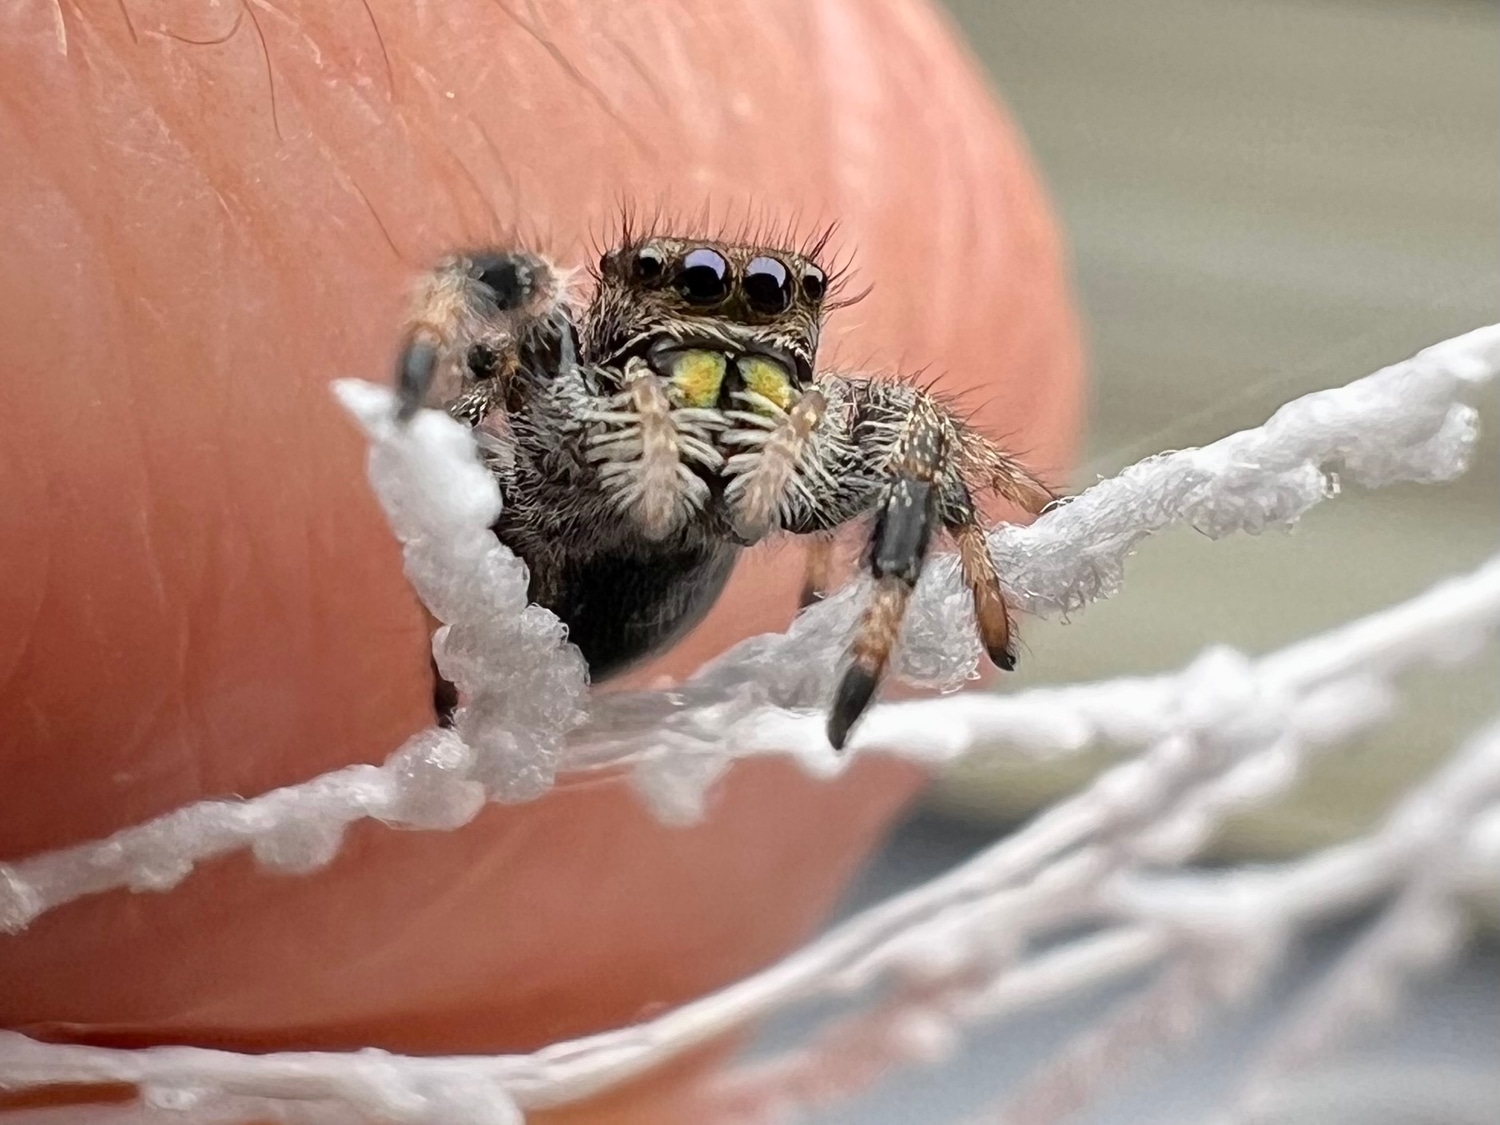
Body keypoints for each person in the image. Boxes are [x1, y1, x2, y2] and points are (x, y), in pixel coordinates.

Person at [0, 1, 1081, 1119]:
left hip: (663, 597)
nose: (729, 327)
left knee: (909, 422)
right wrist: (456, 445)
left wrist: (913, 587)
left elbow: (931, 447)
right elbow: (491, 320)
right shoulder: (567, 363)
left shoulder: (829, 418)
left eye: (771, 308)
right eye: (685, 291)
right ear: (623, 296)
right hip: (553, 536)